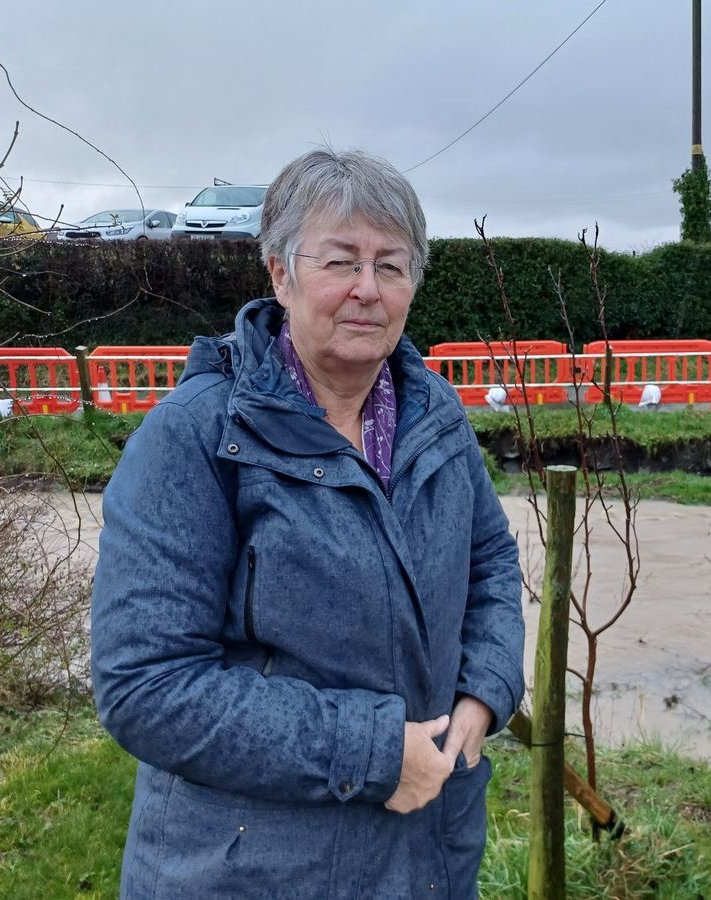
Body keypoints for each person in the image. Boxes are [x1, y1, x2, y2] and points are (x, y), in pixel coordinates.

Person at [91, 148, 526, 899]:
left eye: (391, 266)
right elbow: (144, 683)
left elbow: (488, 561)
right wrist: (372, 751)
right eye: (341, 262)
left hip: (429, 852)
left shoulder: (435, 416)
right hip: (252, 869)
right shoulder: (196, 437)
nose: (367, 290)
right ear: (280, 273)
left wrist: (485, 694)